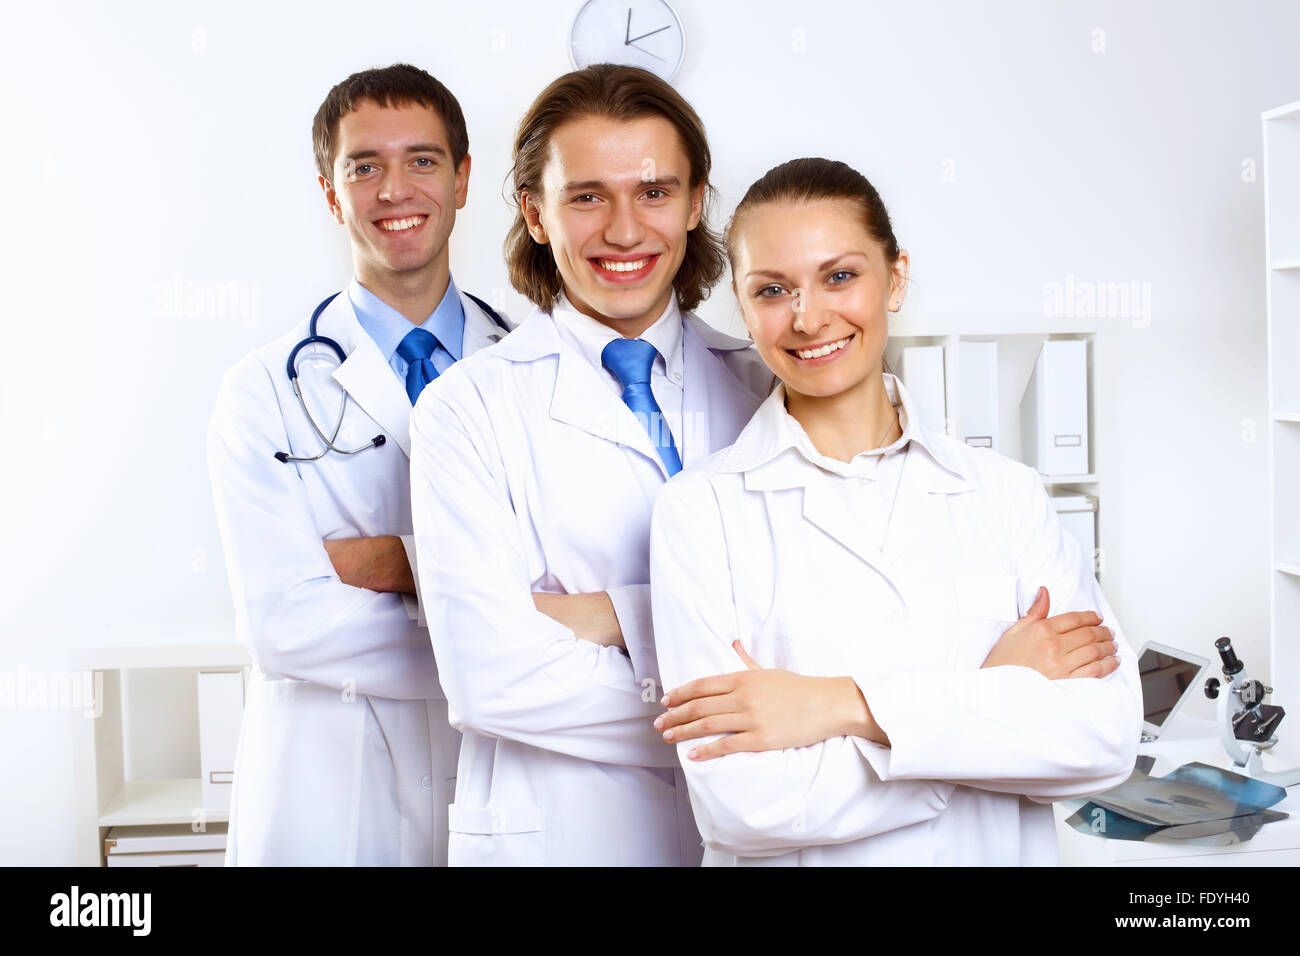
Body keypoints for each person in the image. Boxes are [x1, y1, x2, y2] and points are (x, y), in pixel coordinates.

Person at [649, 157, 1142, 866]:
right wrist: (988, 709)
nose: (808, 316)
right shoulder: (699, 512)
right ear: (744, 304)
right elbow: (741, 807)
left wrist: (839, 705)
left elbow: (1104, 738)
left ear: (897, 277)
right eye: (772, 289)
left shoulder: (1003, 494)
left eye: (840, 276)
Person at [407, 65, 773, 866]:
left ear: (695, 203)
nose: (624, 229)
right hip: (563, 837)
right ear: (536, 213)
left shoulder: (767, 389)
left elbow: (828, 631)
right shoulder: (465, 410)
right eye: (587, 196)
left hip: (760, 836)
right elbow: (491, 676)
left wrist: (603, 615)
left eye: (653, 192)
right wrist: (754, 706)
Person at [207, 63, 513, 865]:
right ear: (330, 193)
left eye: (422, 159)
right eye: (363, 166)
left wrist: (395, 564)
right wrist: (493, 618)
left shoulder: (532, 371)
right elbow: (284, 626)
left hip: (500, 779)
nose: (394, 188)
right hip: (323, 784)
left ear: (463, 179)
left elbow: (571, 577)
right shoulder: (262, 391)